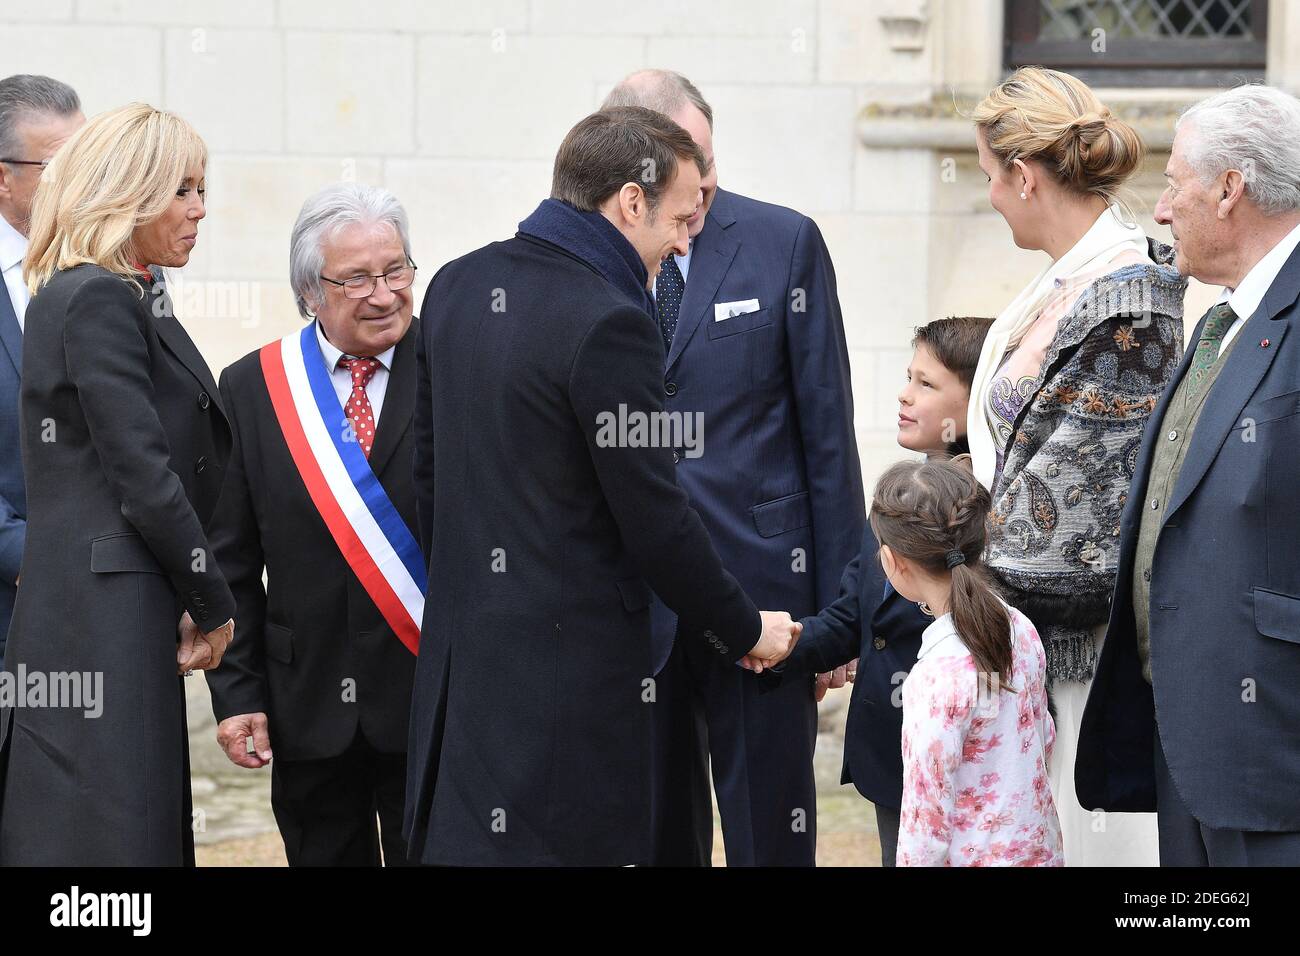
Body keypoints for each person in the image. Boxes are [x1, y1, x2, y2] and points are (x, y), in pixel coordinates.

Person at [404, 106, 801, 866]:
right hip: (565, 688)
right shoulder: (612, 320)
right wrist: (748, 628)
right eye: (683, 219)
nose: (688, 240)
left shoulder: (456, 284)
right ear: (629, 202)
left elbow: (431, 479)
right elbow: (657, 520)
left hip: (462, 665)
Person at [603, 69, 864, 867]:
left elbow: (827, 429)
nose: (706, 180)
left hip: (765, 594)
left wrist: (839, 609)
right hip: (630, 599)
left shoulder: (783, 241)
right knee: (652, 832)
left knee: (770, 831)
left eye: (708, 155)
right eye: (685, 162)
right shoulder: (585, 262)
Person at [0, 103, 234, 866]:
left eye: (203, 188)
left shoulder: (113, 289)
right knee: (110, 841)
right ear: (127, 194)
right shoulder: (98, 294)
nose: (200, 208)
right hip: (106, 613)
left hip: (103, 606)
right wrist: (214, 601)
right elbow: (142, 474)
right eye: (181, 190)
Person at [966, 66, 1186, 866]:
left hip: (1088, 662)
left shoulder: (1133, 300)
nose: (989, 194)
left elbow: (1087, 513)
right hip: (1030, 642)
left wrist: (949, 575)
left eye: (991, 176)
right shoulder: (1061, 281)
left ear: (1024, 176)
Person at [1077, 85, 1300, 866]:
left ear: (1231, 189)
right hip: (1192, 740)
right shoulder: (1218, 323)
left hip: (1274, 751)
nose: (1163, 210)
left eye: (1175, 183)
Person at [206, 183, 420, 866]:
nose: (384, 294)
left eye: (396, 270)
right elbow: (232, 561)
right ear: (310, 293)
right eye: (356, 279)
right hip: (308, 707)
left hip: (432, 698)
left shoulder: (455, 370)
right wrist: (238, 695)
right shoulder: (254, 387)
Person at [757, 316, 991, 866]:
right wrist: (776, 643)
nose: (904, 397)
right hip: (891, 759)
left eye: (927, 385)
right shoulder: (899, 492)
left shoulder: (996, 507)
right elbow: (852, 618)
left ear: (977, 397)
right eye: (909, 377)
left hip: (967, 765)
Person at [872, 456, 1062, 866]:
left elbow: (925, 818)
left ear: (892, 561)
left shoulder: (935, 676)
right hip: (1037, 851)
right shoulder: (1020, 627)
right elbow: (1043, 735)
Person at [0, 74, 84, 669]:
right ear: (4, 177)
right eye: (60, 166)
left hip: (106, 609)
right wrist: (30, 555)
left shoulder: (124, 273)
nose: (81, 183)